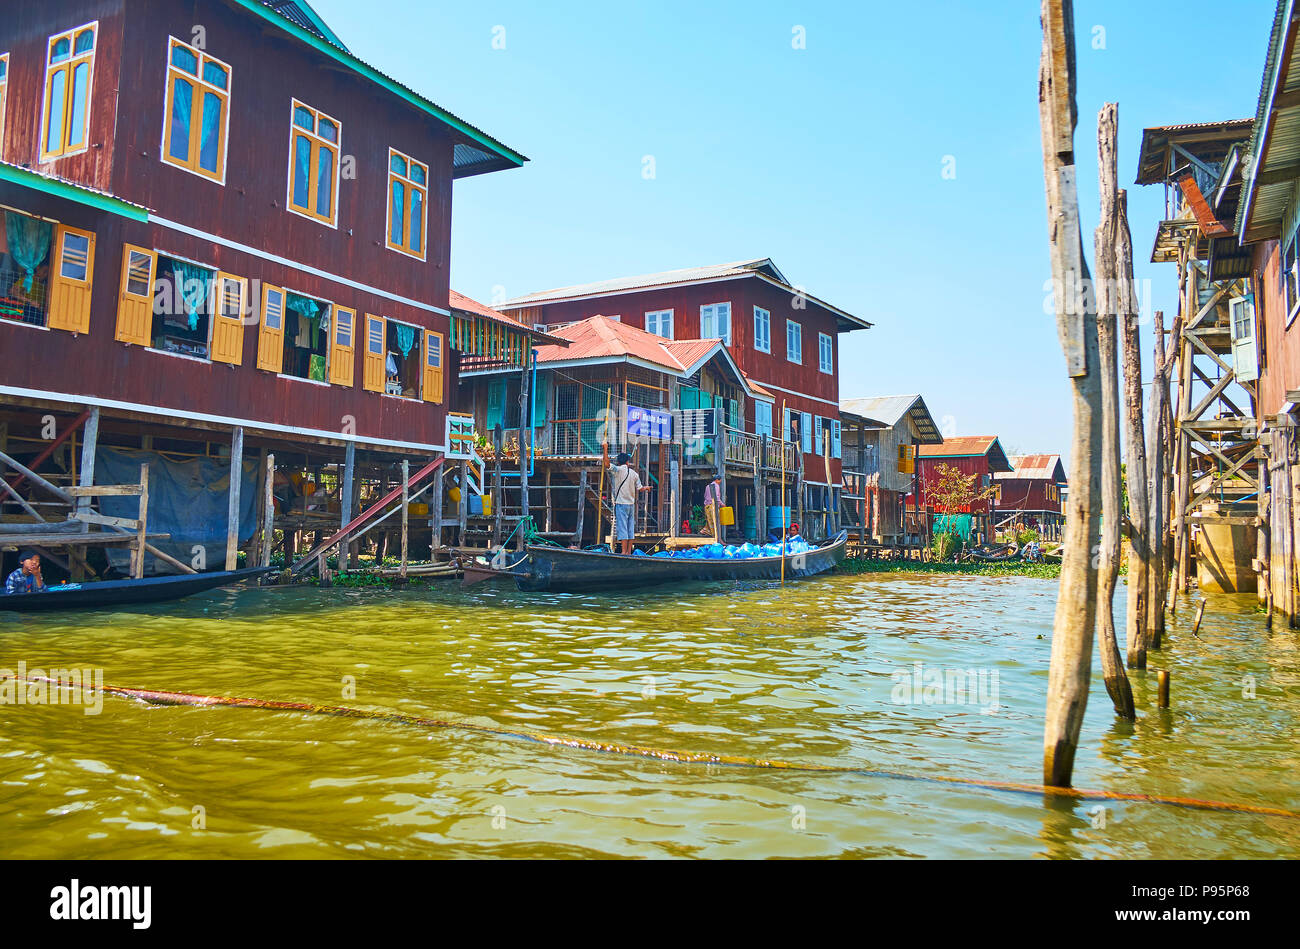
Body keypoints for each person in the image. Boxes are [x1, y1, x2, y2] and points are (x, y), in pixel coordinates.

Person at [602, 445, 651, 555]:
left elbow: (606, 464)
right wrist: (647, 488)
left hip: (621, 504)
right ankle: (628, 552)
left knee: (623, 528)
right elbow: (640, 488)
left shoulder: (617, 470)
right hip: (631, 505)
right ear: (628, 462)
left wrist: (605, 449)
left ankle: (624, 553)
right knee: (630, 529)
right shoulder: (634, 474)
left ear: (619, 462)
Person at [703, 476, 724, 540]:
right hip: (713, 505)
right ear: (717, 480)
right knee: (715, 522)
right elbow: (716, 497)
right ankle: (716, 538)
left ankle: (712, 535)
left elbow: (705, 496)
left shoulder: (707, 486)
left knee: (710, 521)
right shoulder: (716, 486)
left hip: (707, 506)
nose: (720, 482)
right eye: (720, 480)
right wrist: (722, 504)